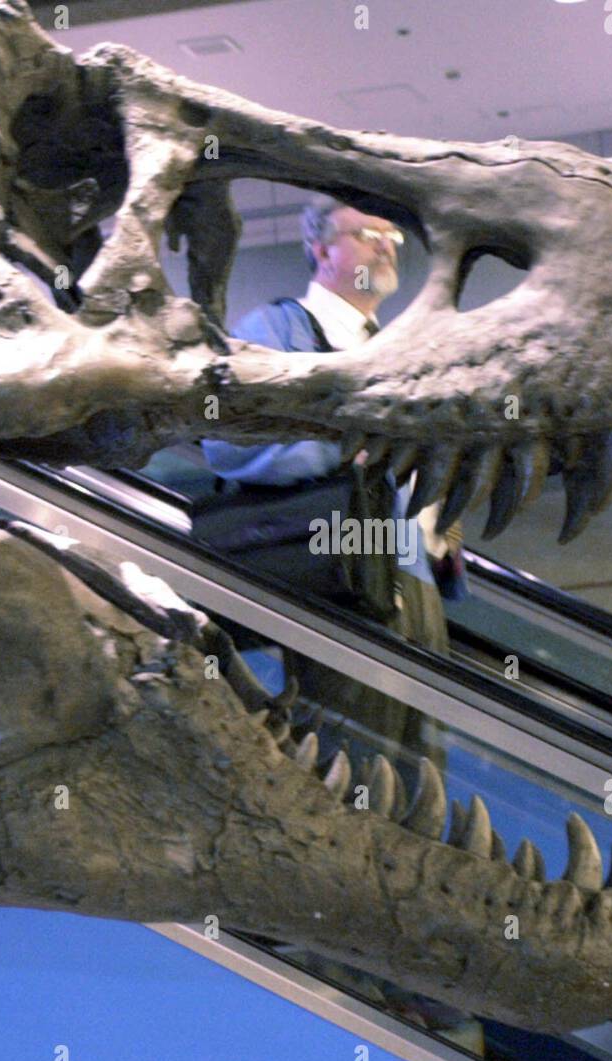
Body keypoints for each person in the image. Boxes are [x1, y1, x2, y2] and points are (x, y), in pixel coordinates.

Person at [201, 194, 467, 783]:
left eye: (391, 237)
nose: (385, 245)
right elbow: (226, 441)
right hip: (342, 576)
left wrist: (441, 527)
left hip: (410, 579)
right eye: (367, 233)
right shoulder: (275, 329)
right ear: (320, 249)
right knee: (354, 769)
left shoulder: (400, 348)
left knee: (422, 780)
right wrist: (346, 449)